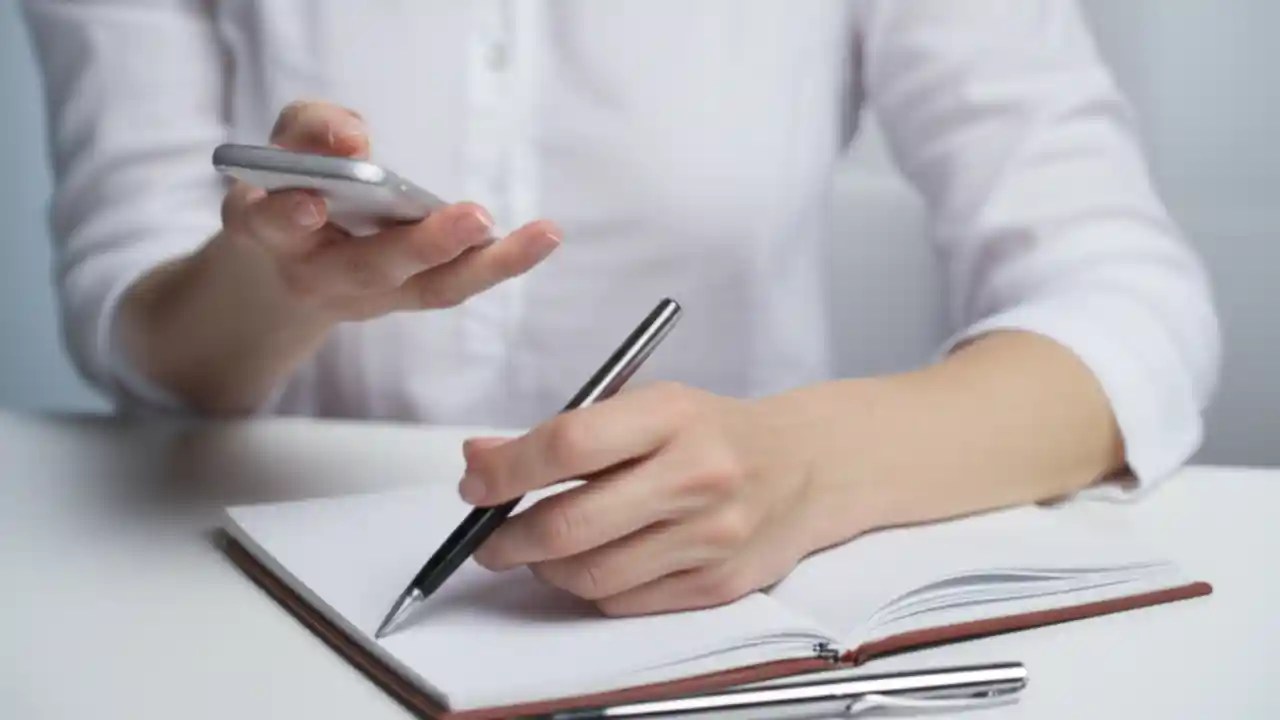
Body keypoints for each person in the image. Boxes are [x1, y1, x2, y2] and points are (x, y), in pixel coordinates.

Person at [24, 1, 1218, 616]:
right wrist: (277, 279)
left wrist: (807, 463)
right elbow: (131, 322)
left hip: (733, 620)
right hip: (248, 608)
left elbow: (1130, 301)